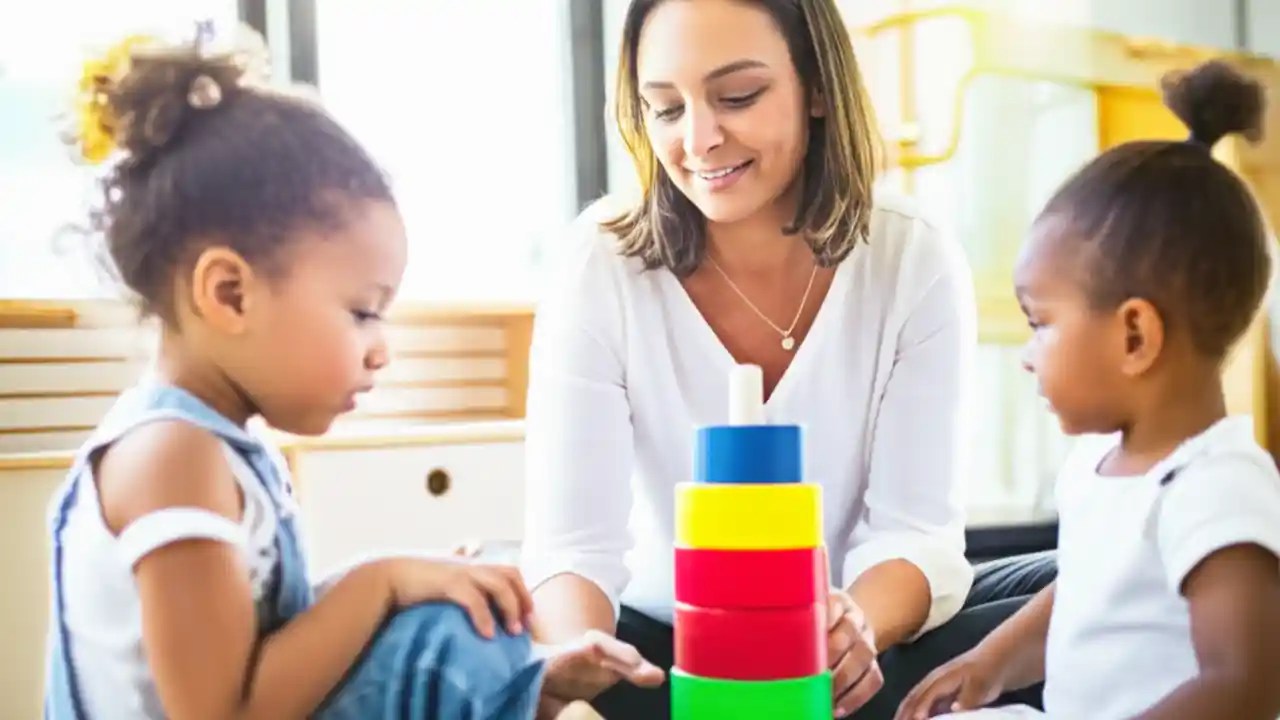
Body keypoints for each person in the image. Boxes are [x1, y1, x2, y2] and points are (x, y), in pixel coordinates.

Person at [43, 27, 660, 720]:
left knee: (463, 600)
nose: (380, 350)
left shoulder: (212, 450)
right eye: (362, 312)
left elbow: (270, 647)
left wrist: (416, 584)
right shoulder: (171, 458)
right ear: (230, 294)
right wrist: (382, 583)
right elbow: (222, 712)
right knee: (441, 626)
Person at [519, 1, 1056, 718]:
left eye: (738, 97)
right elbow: (572, 547)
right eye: (666, 108)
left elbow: (914, 533)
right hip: (665, 659)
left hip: (848, 655)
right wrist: (578, 683)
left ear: (819, 88)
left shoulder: (910, 255)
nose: (700, 139)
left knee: (1104, 586)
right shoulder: (601, 261)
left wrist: (853, 627)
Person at [895, 60, 1280, 720]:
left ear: (1135, 336)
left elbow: (1246, 684)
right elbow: (1083, 592)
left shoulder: (1217, 485)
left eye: (1040, 323)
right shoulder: (1099, 466)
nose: (1026, 357)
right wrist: (987, 665)